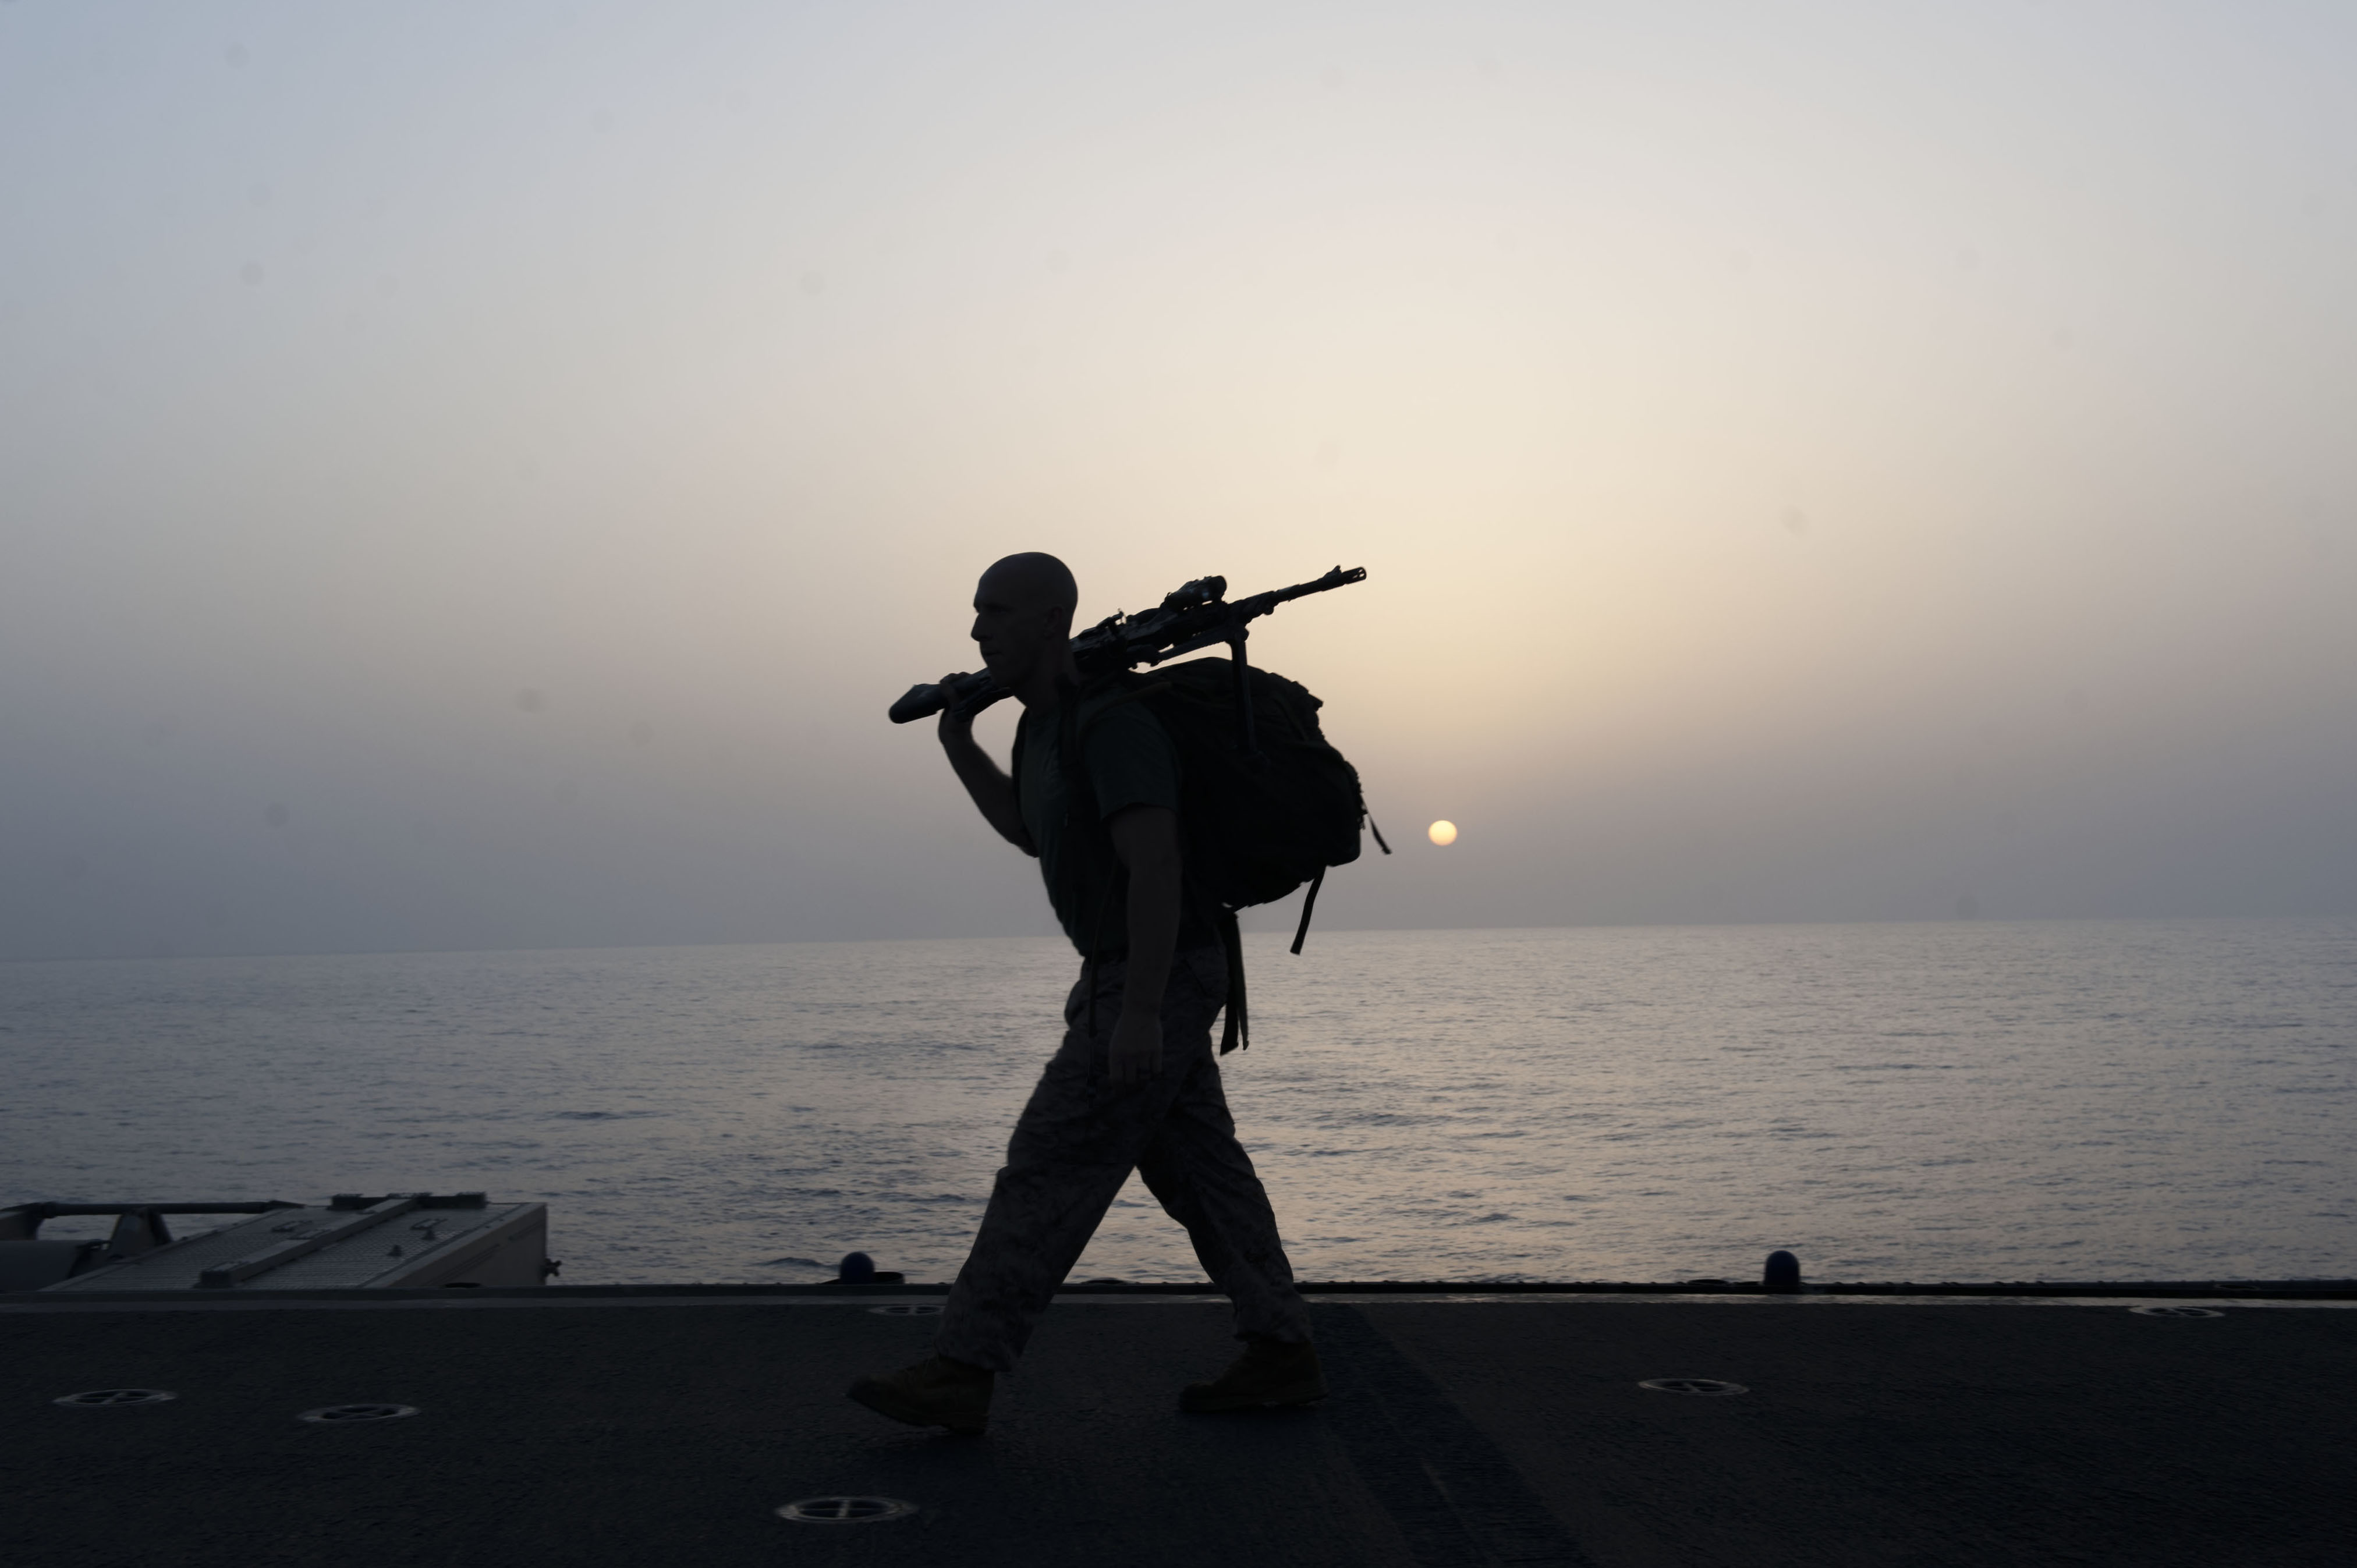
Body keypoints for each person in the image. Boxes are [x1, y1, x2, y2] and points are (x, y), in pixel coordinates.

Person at [848, 552, 1321, 1434]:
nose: (977, 629)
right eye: (977, 611)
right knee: (1199, 1172)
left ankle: (963, 1366)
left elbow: (1156, 866)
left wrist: (1140, 1010)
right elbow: (1031, 831)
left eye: (995, 611)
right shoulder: (1042, 728)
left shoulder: (1112, 726)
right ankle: (1281, 1348)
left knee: (1049, 1162)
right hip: (1127, 972)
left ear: (1050, 621)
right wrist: (960, 741)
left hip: (1155, 971)